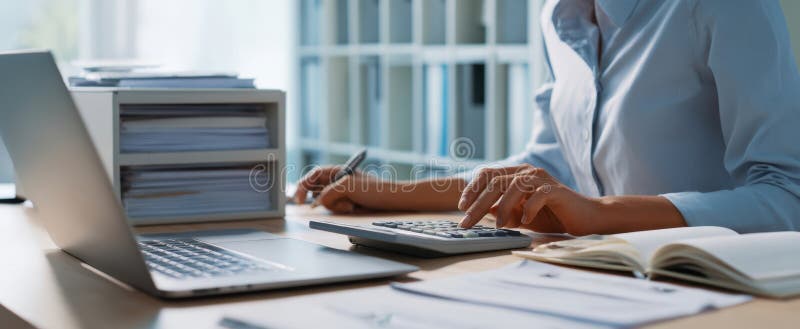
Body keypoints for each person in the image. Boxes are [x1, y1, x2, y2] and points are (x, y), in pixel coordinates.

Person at [294, 0, 800, 235]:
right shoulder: (557, 15)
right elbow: (544, 165)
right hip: (597, 279)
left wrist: (602, 213)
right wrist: (389, 193)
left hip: (710, 291)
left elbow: (788, 197)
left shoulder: (726, 6)